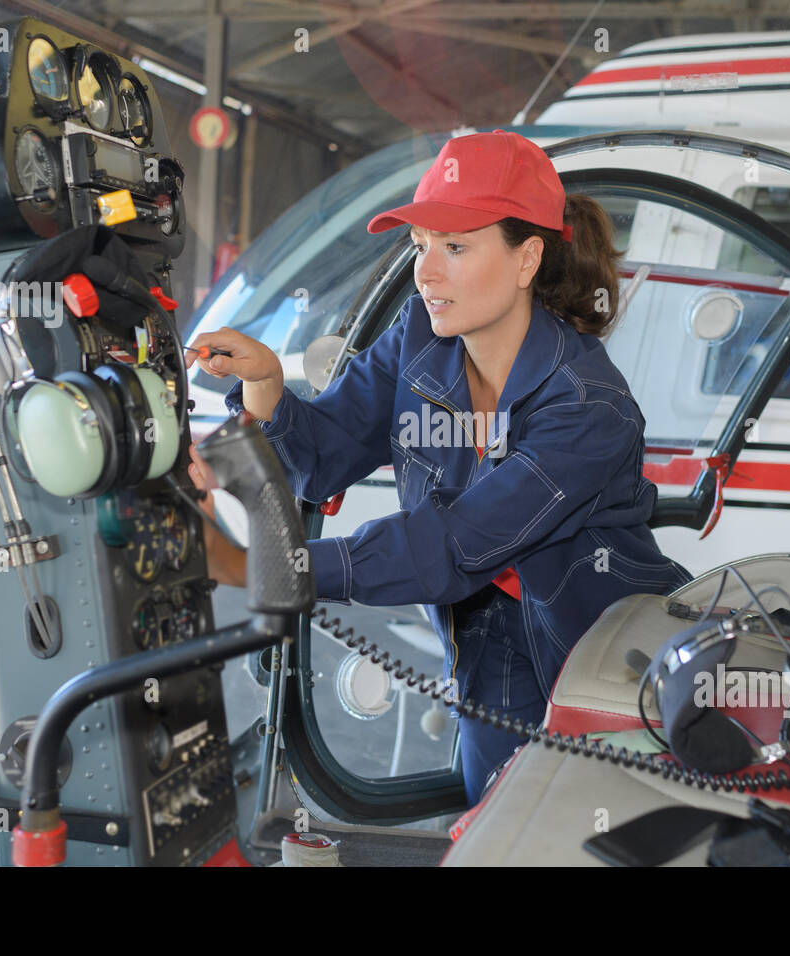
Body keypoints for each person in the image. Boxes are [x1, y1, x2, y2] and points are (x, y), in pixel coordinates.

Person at [186, 129, 692, 804]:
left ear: (527, 258)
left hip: (594, 646)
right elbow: (325, 453)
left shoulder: (589, 408)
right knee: (494, 818)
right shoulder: (419, 341)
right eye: (421, 245)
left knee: (578, 827)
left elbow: (454, 543)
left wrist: (259, 567)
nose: (426, 272)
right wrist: (268, 385)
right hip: (479, 627)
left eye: (455, 247)